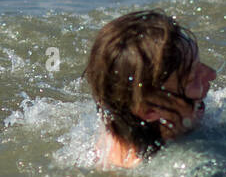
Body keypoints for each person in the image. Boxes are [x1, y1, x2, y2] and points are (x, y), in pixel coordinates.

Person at [82, 10, 218, 168]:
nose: (211, 74)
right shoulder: (180, 166)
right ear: (149, 111)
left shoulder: (111, 133)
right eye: (192, 77)